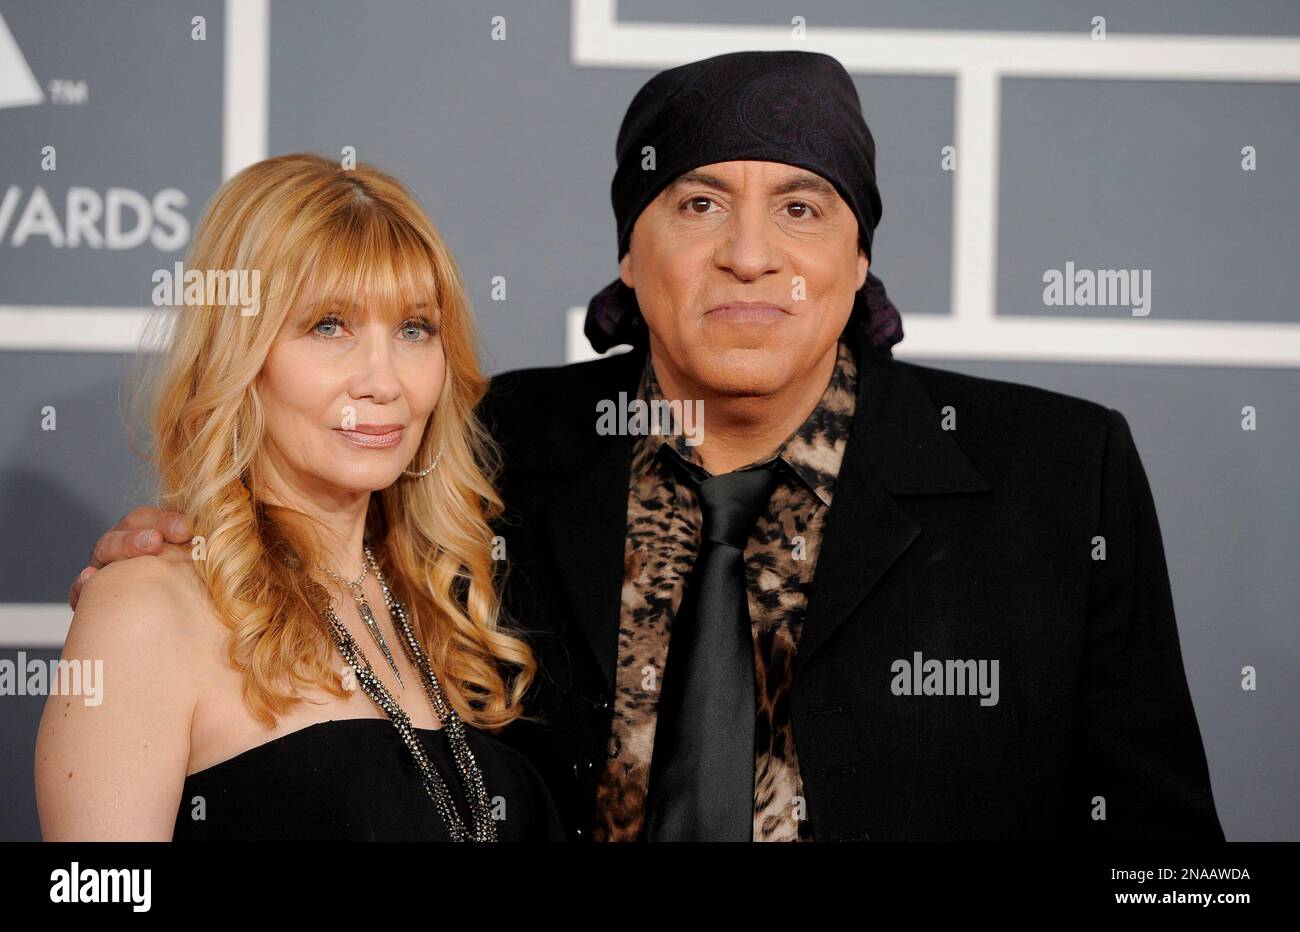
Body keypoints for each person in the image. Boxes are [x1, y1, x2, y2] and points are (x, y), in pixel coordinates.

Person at [70, 51, 1224, 842]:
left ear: (859, 257)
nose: (750, 254)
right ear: (630, 254)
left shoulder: (1058, 476)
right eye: (699, 202)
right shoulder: (489, 452)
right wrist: (170, 547)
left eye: (804, 207)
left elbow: (1170, 855)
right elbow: (290, 537)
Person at [39, 153, 565, 841]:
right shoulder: (148, 608)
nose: (383, 381)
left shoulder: (447, 612)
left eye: (414, 329)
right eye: (329, 326)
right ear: (240, 354)